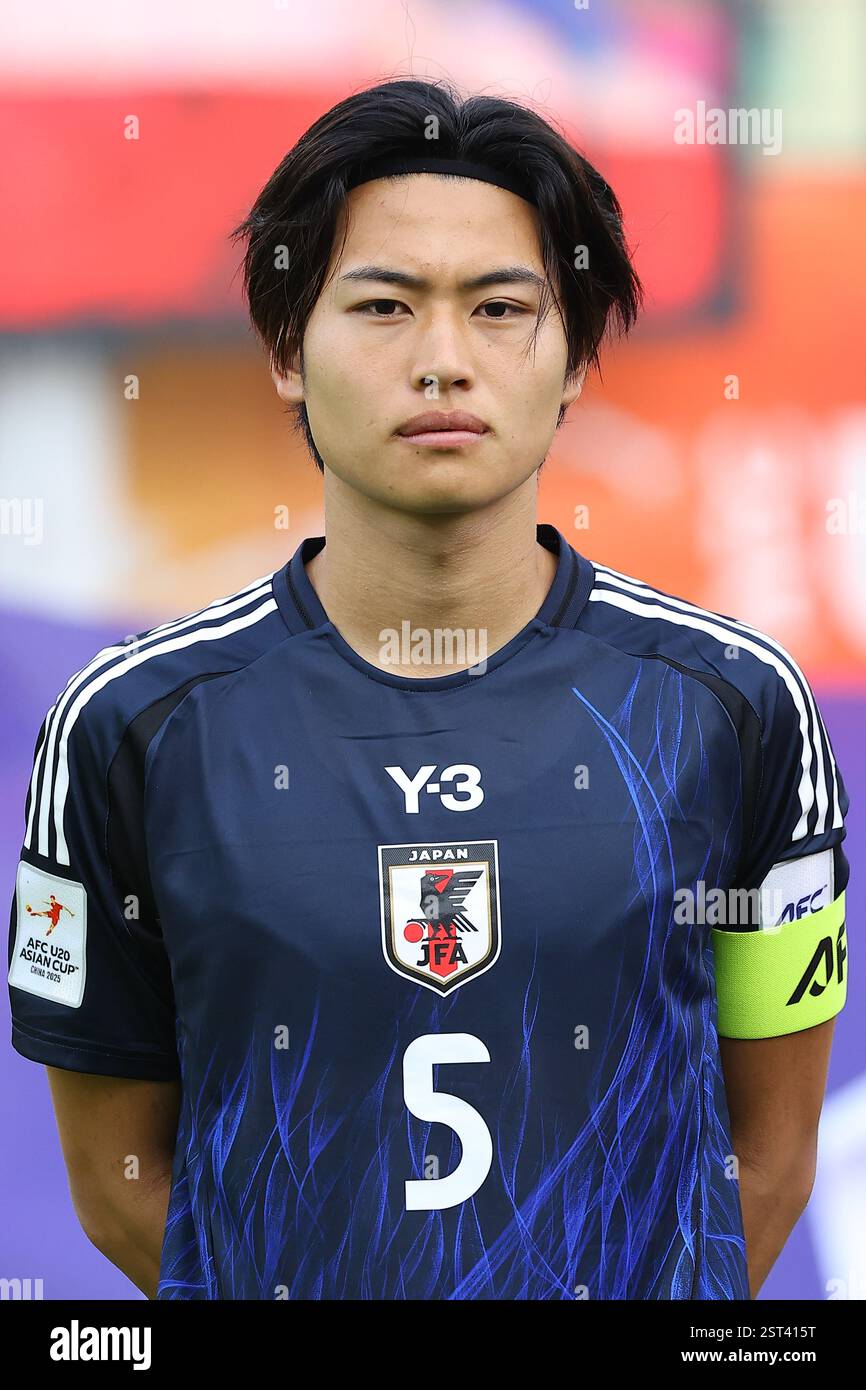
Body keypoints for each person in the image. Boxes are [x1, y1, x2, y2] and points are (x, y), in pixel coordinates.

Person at [7, 78, 849, 1301]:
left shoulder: (734, 704)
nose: (443, 360)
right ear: (289, 353)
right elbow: (115, 1168)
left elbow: (768, 1155)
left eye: (501, 307)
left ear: (569, 363)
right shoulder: (133, 725)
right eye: (385, 306)